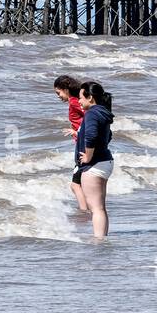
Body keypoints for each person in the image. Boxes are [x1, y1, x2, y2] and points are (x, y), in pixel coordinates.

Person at [75, 81, 115, 238]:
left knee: (96, 208)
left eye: (80, 97)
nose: (78, 101)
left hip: (95, 164)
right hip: (105, 162)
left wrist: (88, 156)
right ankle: (102, 238)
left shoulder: (91, 113)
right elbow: (108, 136)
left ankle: (99, 241)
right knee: (100, 207)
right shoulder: (103, 112)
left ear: (90, 97)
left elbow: (90, 136)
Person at [53, 74, 89, 215]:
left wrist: (76, 132)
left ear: (66, 89)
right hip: (83, 142)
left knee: (75, 185)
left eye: (58, 93)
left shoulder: (74, 102)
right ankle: (88, 210)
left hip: (83, 143)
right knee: (81, 182)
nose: (58, 96)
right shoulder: (75, 101)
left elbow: (89, 116)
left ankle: (84, 212)